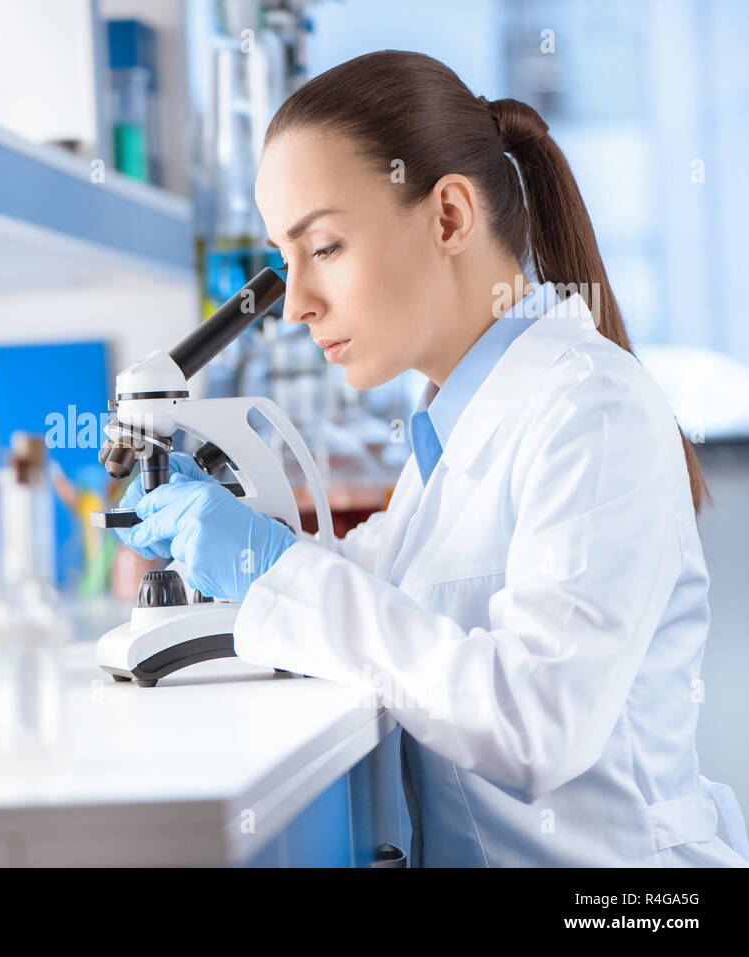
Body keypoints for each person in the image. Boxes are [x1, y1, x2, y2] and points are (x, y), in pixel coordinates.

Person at [116, 50, 748, 867]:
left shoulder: (593, 412)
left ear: (449, 216)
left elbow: (534, 722)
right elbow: (390, 589)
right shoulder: (454, 427)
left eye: (327, 246)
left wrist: (270, 567)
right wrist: (231, 557)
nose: (297, 301)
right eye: (286, 258)